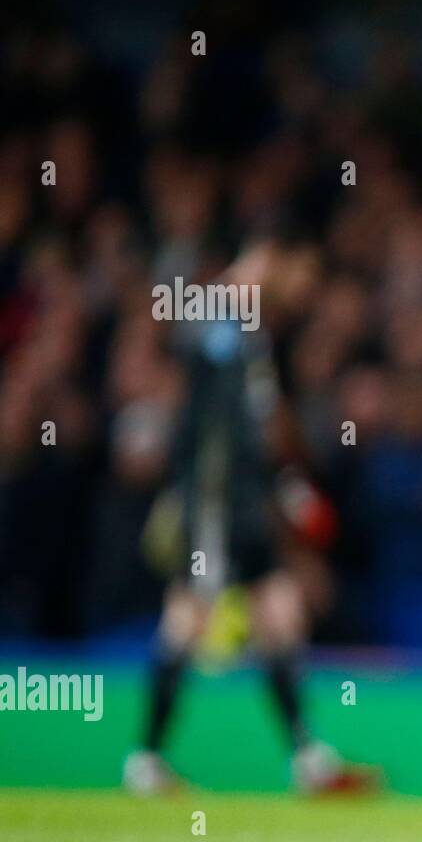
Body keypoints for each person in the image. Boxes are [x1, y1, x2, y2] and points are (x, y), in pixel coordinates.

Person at [124, 234, 379, 797]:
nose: (303, 290)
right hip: (214, 503)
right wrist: (201, 501)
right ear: (270, 259)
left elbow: (254, 430)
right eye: (300, 274)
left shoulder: (250, 329)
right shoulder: (217, 318)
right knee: (187, 620)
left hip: (243, 501)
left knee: (280, 615)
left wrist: (284, 489)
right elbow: (213, 425)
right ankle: (145, 760)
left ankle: (309, 760)